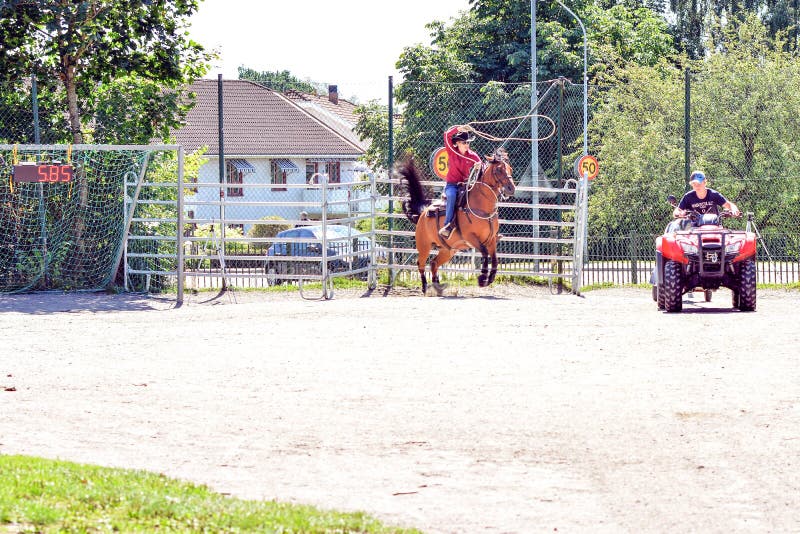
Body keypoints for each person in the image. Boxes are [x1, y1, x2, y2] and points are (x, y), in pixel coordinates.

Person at [438, 125, 482, 238]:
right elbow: (447, 135)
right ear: (457, 143)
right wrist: (458, 129)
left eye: (468, 142)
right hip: (451, 185)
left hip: (466, 185)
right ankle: (447, 225)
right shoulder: (452, 151)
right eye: (464, 143)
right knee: (452, 196)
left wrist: (479, 166)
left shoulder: (472, 155)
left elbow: (482, 165)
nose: (467, 145)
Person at [672, 170, 740, 226]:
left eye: (699, 184)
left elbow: (729, 205)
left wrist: (734, 209)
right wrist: (678, 213)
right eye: (694, 184)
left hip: (714, 226)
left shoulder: (714, 194)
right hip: (694, 228)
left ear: (705, 182)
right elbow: (678, 210)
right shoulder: (688, 196)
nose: (696, 186)